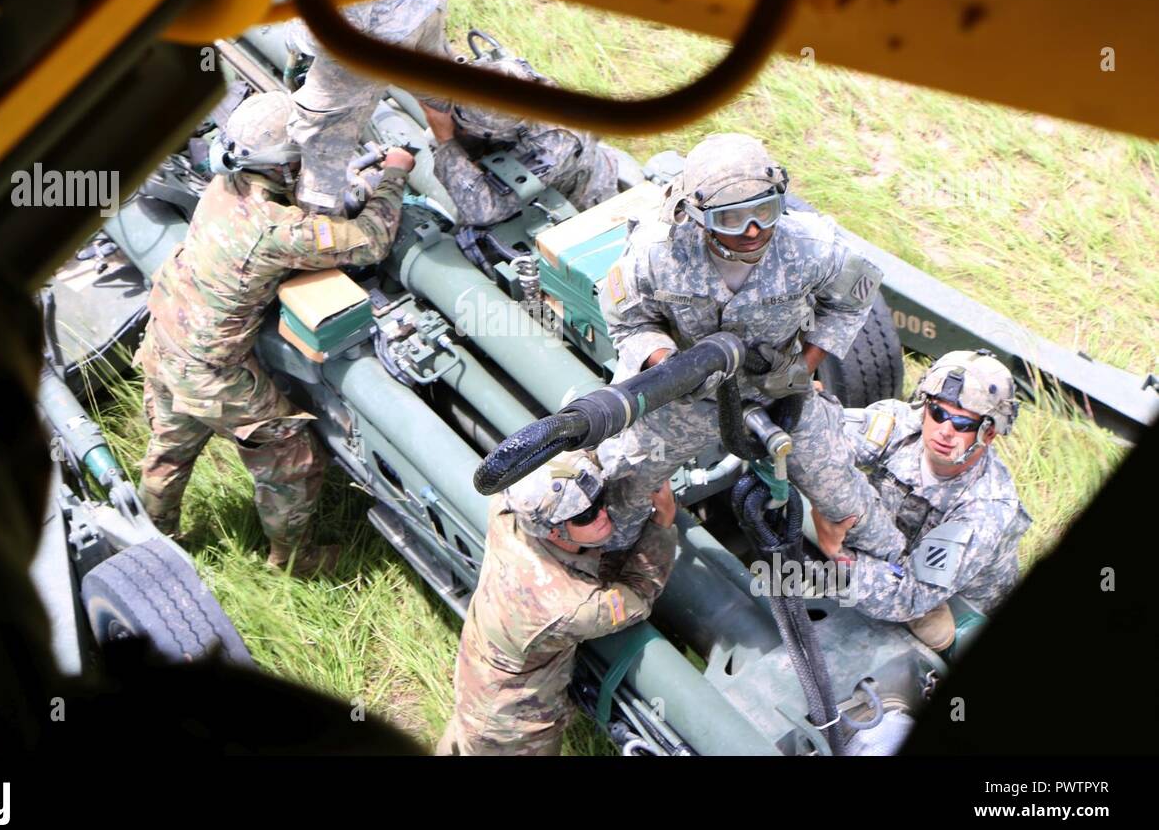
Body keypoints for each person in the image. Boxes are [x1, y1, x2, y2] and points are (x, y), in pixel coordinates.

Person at [136, 90, 415, 575]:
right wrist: (393, 175)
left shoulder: (223, 187)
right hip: (212, 371)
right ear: (286, 166)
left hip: (166, 336)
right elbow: (369, 242)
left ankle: (152, 537)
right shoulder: (275, 229)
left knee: (170, 449)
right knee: (294, 462)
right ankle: (293, 563)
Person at [597, 132, 883, 551]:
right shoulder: (655, 254)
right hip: (680, 399)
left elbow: (854, 299)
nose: (753, 231)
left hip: (779, 390)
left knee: (842, 490)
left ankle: (897, 576)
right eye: (730, 219)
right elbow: (627, 322)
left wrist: (805, 365)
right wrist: (672, 368)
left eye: (765, 212)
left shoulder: (812, 249)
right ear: (697, 215)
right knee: (623, 488)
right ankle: (610, 571)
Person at [436, 452, 678, 755]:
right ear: (554, 530)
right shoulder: (569, 607)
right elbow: (639, 593)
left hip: (476, 678)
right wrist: (663, 522)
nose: (601, 514)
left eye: (598, 498)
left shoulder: (510, 514)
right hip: (513, 728)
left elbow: (555, 473)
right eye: (584, 515)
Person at [811, 350, 1031, 651]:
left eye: (962, 424)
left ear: (989, 433)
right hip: (893, 559)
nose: (945, 430)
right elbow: (829, 440)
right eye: (938, 413)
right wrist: (808, 412)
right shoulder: (901, 424)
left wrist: (839, 556)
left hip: (954, 603)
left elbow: (909, 598)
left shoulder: (986, 509)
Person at [284, 0, 450, 214]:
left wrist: (293, 34)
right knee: (438, 94)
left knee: (320, 143)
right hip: (423, 4)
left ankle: (327, 230)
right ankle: (465, 167)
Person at [419, 43, 619, 226]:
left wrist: (446, 141)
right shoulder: (507, 74)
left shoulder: (553, 144)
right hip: (512, 150)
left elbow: (483, 210)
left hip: (570, 197)